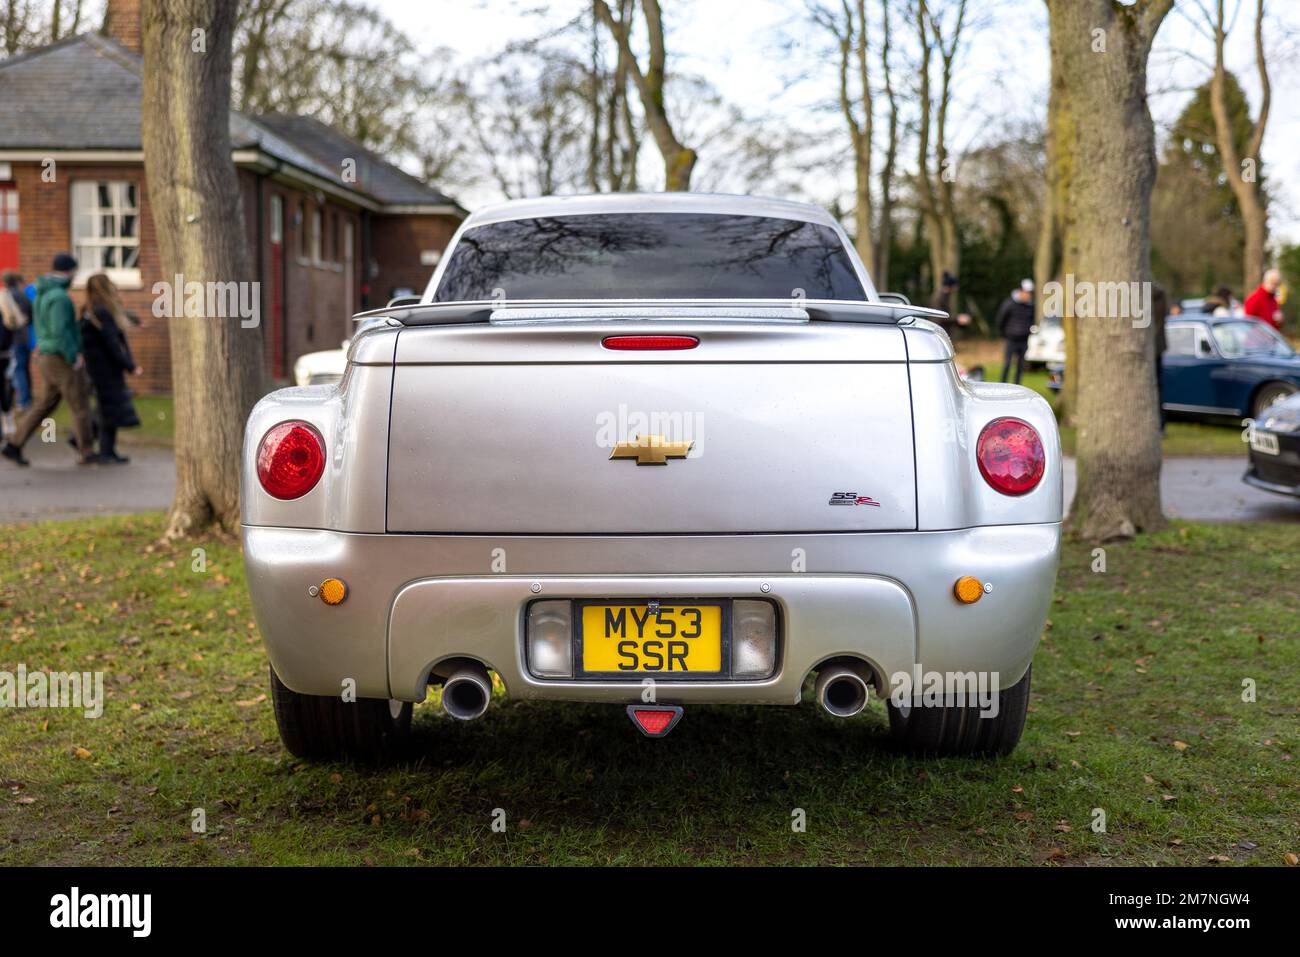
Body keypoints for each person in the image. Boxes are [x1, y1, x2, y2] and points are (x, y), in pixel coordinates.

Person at [1, 253, 96, 467]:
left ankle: (14, 445)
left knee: (45, 404)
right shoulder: (60, 298)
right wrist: (73, 356)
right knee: (79, 402)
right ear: (69, 271)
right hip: (60, 357)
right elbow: (61, 331)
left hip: (45, 354)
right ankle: (87, 450)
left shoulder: (42, 293)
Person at [80, 273, 143, 464]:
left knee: (107, 407)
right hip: (106, 369)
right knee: (109, 409)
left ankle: (107, 449)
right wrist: (130, 366)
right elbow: (112, 343)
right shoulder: (103, 312)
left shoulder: (88, 310)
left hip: (96, 367)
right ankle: (106, 450)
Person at [1, 271, 33, 415]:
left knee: (17, 371)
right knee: (24, 369)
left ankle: (23, 402)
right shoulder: (23, 294)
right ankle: (25, 400)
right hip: (25, 336)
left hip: (13, 339)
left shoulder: (7, 296)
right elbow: (30, 315)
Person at [995, 279, 1035, 384]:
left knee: (1020, 366)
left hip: (1024, 339)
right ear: (1021, 291)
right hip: (1011, 339)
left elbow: (1032, 320)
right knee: (1007, 364)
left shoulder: (1031, 306)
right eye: (1026, 292)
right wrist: (1005, 333)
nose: (1028, 295)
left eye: (1030, 293)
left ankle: (1018, 386)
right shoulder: (1009, 304)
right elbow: (1001, 320)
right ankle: (1002, 385)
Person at [928, 271, 971, 336]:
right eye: (956, 285)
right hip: (937, 333)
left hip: (941, 332)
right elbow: (938, 318)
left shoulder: (945, 296)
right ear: (951, 285)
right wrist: (957, 319)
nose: (957, 288)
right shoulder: (938, 298)